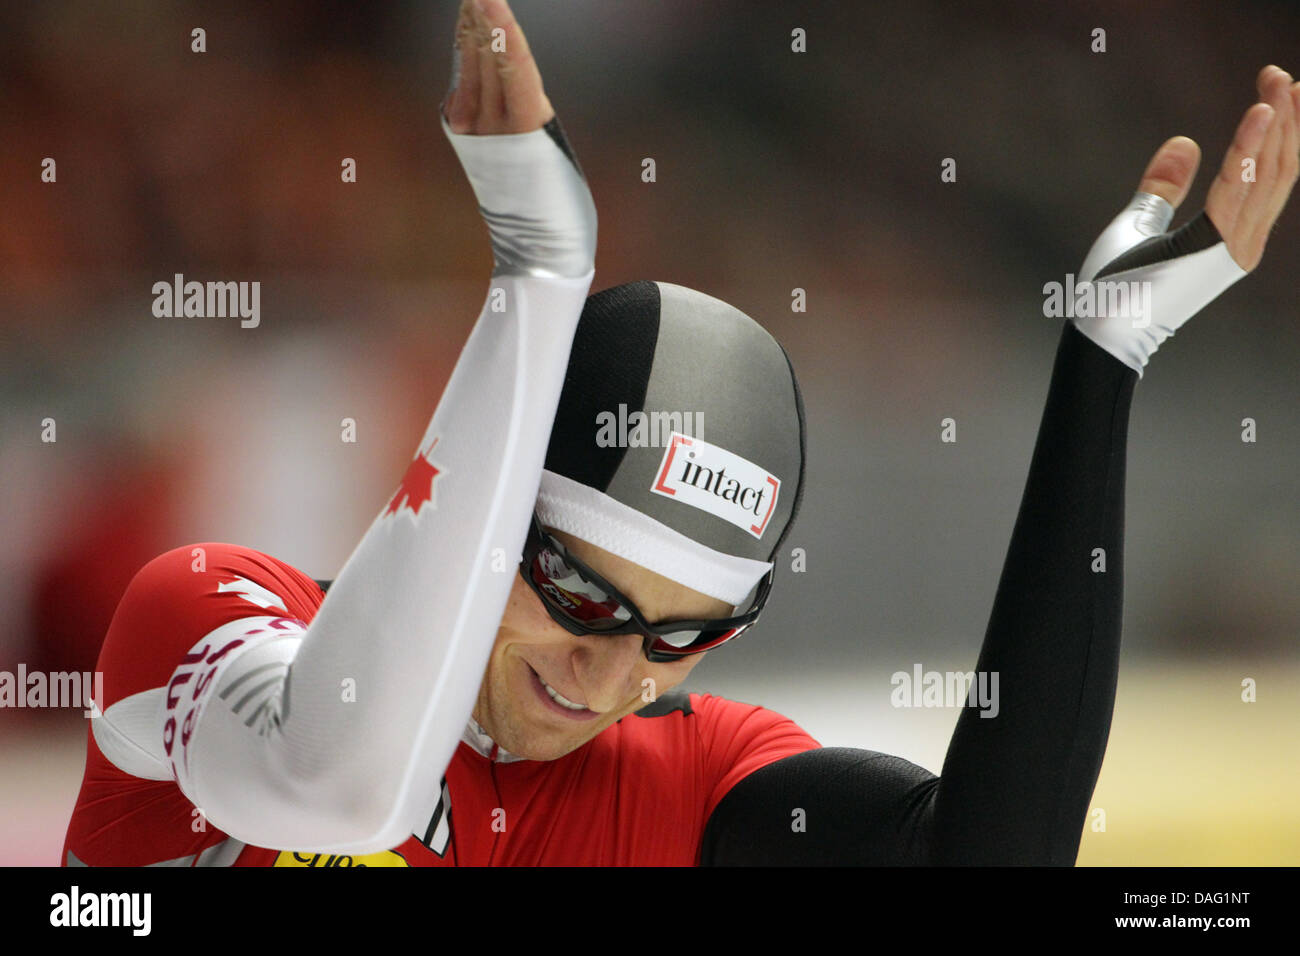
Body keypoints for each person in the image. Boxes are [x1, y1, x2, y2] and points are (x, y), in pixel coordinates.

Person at [62, 0, 1298, 866]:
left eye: (684, 631)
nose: (610, 675)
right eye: (582, 594)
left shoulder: (697, 777)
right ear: (499, 510)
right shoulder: (208, 616)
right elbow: (341, 783)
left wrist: (1103, 355)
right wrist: (536, 272)